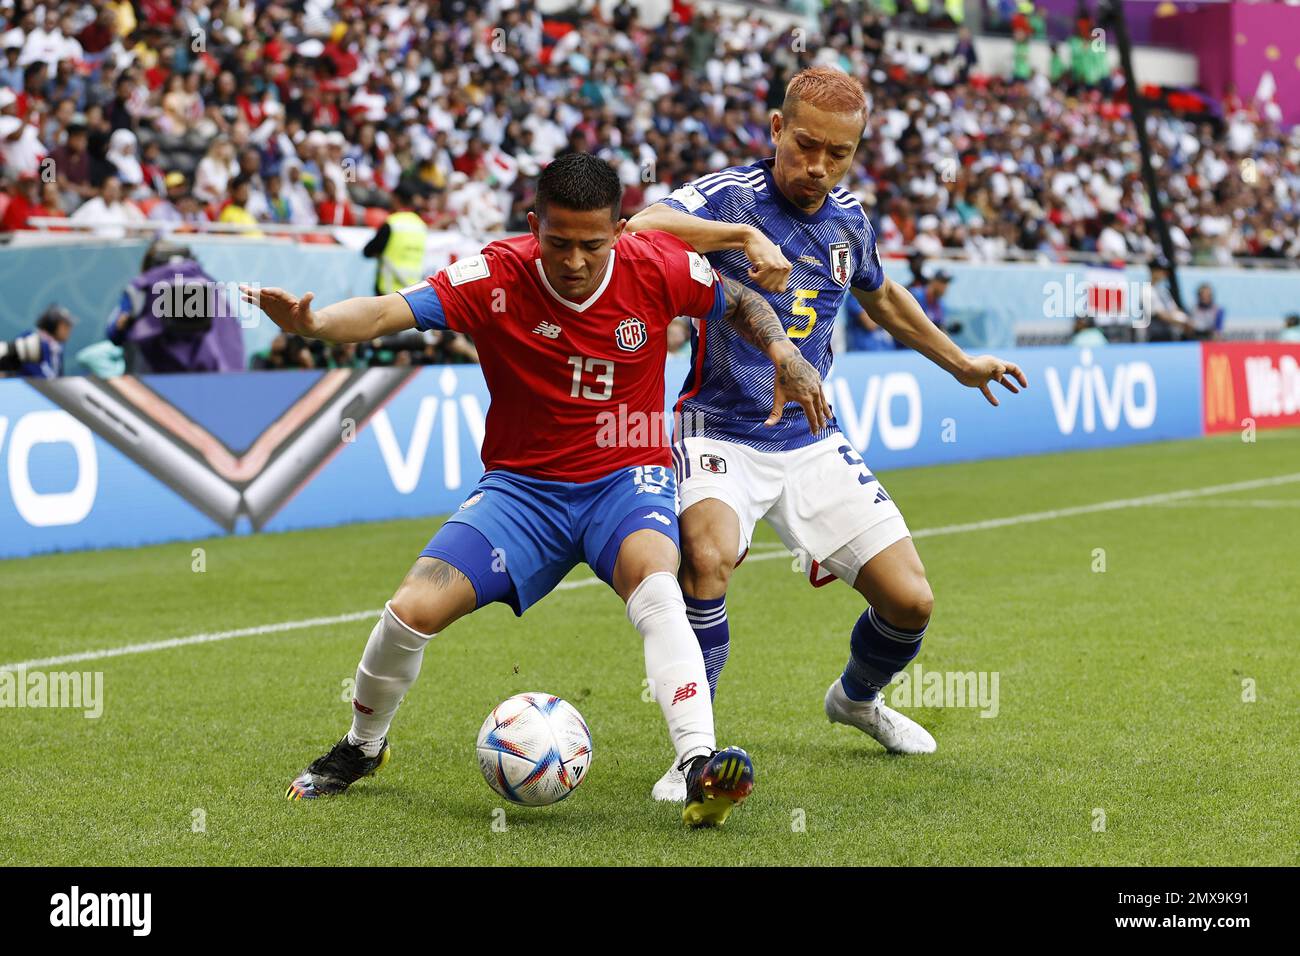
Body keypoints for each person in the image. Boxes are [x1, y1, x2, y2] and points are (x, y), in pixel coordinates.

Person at [241, 153, 828, 827]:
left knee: (657, 584)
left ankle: (698, 762)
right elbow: (384, 313)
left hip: (624, 476)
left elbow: (743, 301)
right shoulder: (496, 275)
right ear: (533, 224)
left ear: (620, 230)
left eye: (592, 243)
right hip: (523, 492)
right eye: (559, 242)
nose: (575, 259)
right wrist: (314, 326)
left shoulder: (657, 265)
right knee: (409, 611)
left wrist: (783, 351)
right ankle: (362, 748)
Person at [627, 67, 1027, 801]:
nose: (818, 167)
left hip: (811, 439)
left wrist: (961, 364)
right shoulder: (728, 198)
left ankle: (857, 700)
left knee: (911, 603)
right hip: (717, 428)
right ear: (777, 129)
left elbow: (888, 302)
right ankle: (697, 753)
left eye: (838, 154)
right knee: (709, 559)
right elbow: (637, 228)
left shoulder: (849, 219)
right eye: (805, 146)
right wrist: (741, 235)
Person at [363, 183, 428, 295]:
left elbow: (368, 251)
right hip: (413, 292)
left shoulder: (392, 223)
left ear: (396, 198)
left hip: (388, 291)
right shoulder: (421, 225)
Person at [0, 305, 76, 378]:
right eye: (65, 326)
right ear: (52, 325)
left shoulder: (57, 348)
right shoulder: (29, 340)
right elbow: (39, 377)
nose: (69, 330)